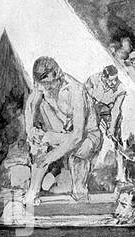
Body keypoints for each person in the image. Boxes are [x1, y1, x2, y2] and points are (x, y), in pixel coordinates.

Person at [24, 57, 102, 205]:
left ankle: (78, 189)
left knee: (80, 195)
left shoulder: (75, 90)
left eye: (50, 85)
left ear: (58, 74)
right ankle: (32, 191)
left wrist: (49, 157)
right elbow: (30, 105)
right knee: (40, 137)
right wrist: (30, 130)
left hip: (87, 137)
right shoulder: (42, 85)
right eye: (43, 85)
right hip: (62, 132)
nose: (47, 89)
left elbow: (77, 136)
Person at [85, 65, 129, 184]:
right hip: (94, 108)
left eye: (115, 79)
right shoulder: (93, 79)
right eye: (110, 80)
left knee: (116, 141)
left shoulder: (121, 88)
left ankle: (121, 174)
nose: (113, 82)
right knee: (91, 138)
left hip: (110, 111)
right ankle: (88, 172)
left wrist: (112, 127)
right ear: (103, 77)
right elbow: (86, 97)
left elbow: (116, 109)